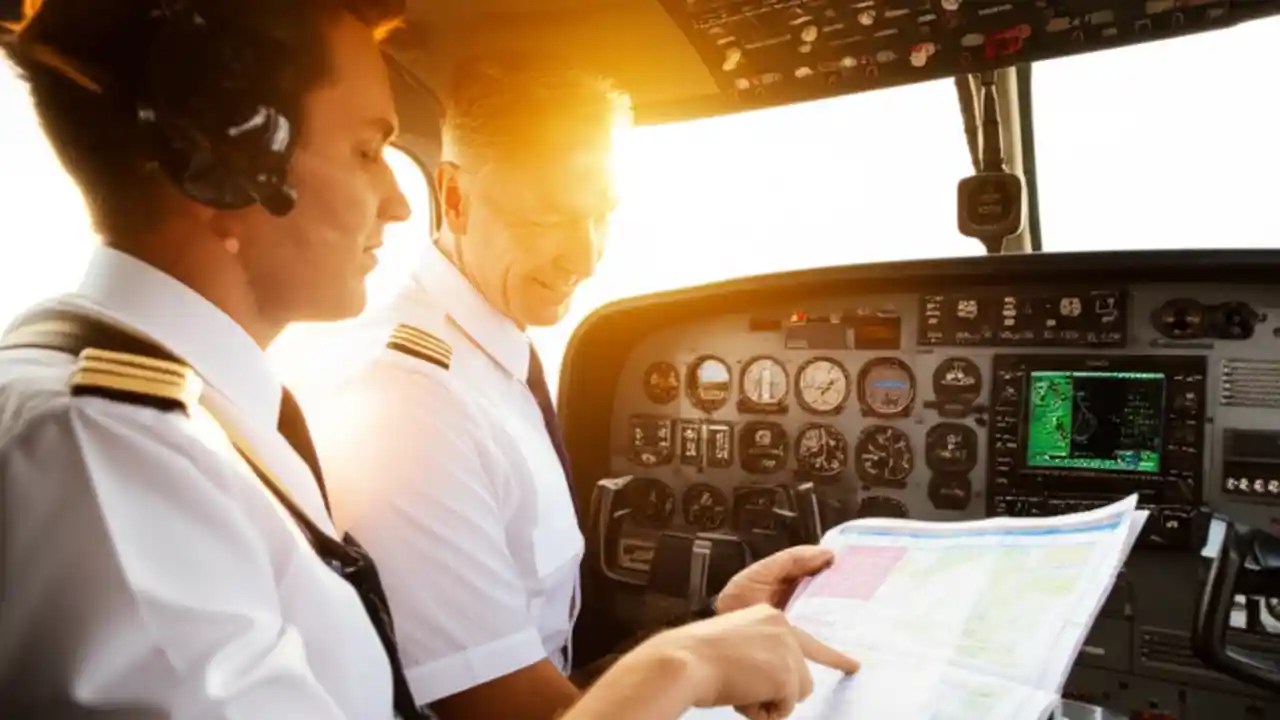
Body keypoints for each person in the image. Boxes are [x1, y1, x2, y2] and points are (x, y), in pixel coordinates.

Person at [0, 1, 857, 718]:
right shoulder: (108, 462)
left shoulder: (193, 423)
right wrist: (682, 668)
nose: (395, 198)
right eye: (368, 150)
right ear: (225, 169)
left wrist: (705, 626)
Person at [307, 56, 853, 719]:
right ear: (454, 198)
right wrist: (694, 661)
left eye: (601, 215)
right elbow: (514, 714)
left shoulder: (490, 359)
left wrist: (713, 619)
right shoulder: (408, 405)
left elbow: (549, 665)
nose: (587, 255)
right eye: (550, 216)